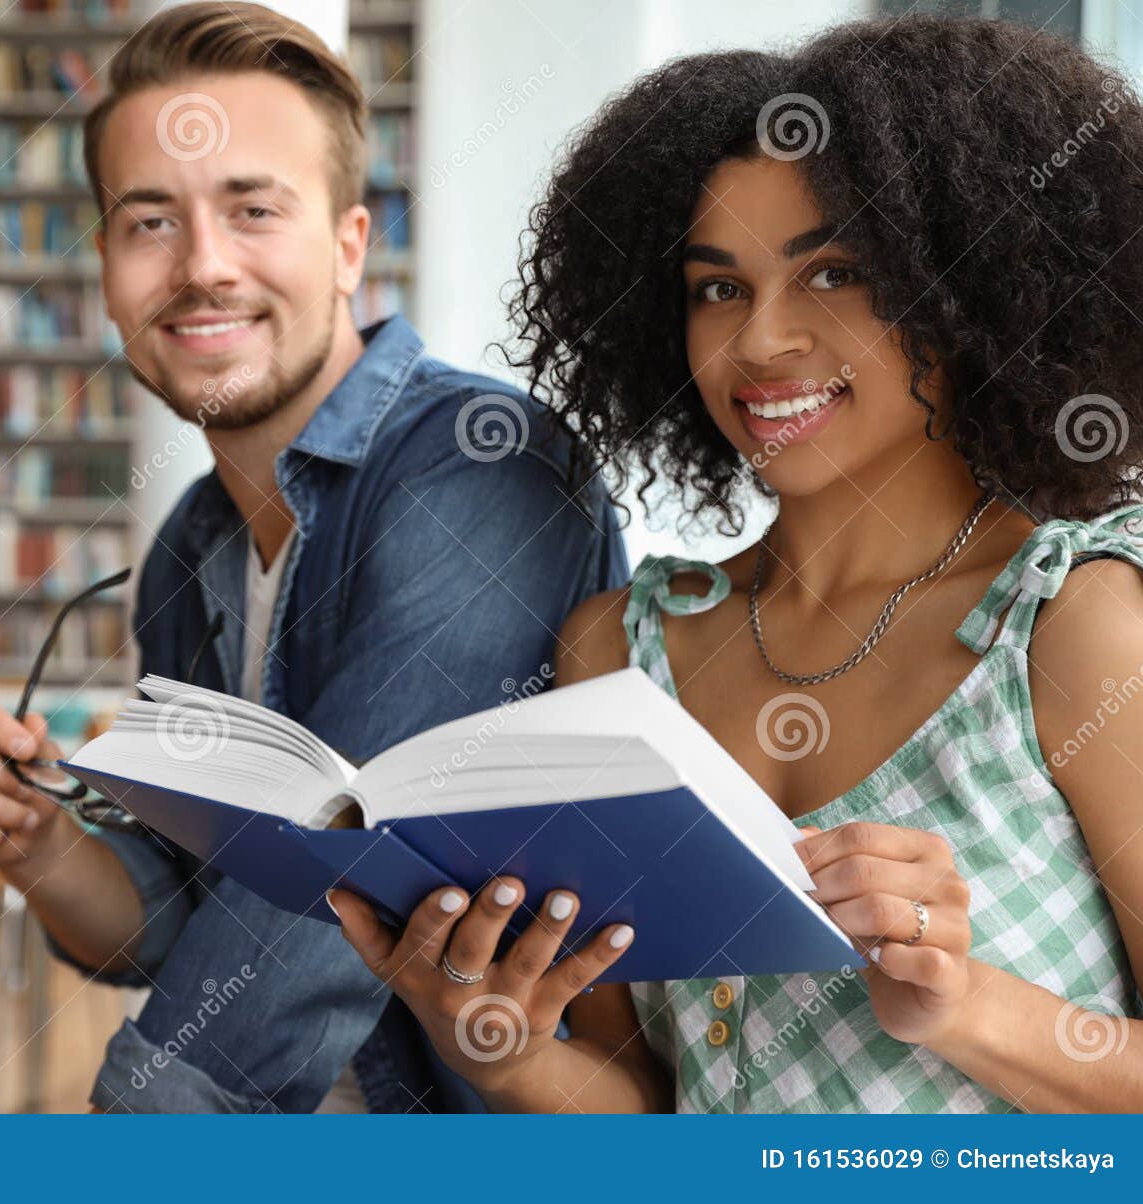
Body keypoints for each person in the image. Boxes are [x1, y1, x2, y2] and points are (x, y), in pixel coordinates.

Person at [332, 15, 1143, 1113]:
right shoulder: (619, 651)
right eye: (717, 288)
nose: (760, 340)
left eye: (835, 273)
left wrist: (965, 1009)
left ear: (974, 292)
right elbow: (652, 1103)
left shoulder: (1078, 624)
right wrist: (502, 1050)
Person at [0, 1, 629, 1113]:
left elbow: (353, 848)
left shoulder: (480, 465)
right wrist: (41, 845)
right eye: (150, 222)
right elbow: (185, 926)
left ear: (349, 245)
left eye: (253, 210)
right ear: (105, 263)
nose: (202, 266)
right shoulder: (186, 548)